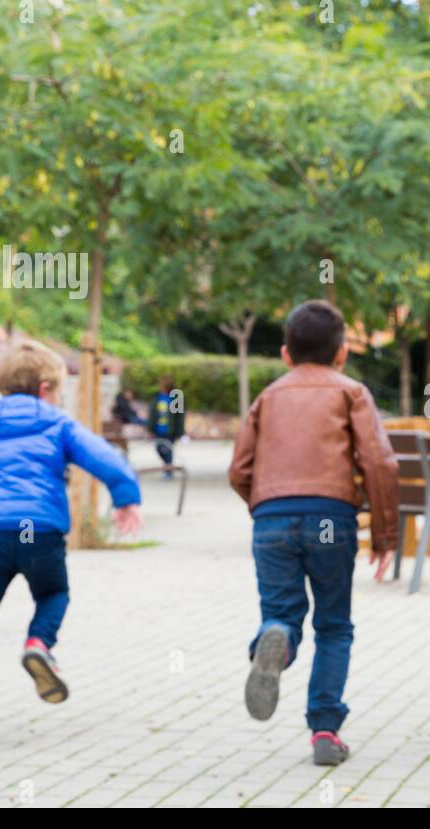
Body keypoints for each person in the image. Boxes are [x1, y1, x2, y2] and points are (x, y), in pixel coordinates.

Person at [0, 340, 143, 752]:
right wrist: (126, 497)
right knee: (54, 593)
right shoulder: (58, 424)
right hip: (39, 532)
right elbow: (105, 459)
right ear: (44, 388)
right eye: (57, 390)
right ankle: (39, 644)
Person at [227, 300, 399, 766]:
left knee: (282, 611)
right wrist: (385, 535)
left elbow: (239, 468)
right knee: (334, 624)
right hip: (330, 518)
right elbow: (380, 464)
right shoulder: (352, 392)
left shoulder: (268, 396)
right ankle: (325, 730)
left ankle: (276, 641)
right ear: (342, 353)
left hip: (273, 518)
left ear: (285, 354)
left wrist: (265, 508)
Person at [147, 375, 185, 477]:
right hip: (158, 429)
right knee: (159, 448)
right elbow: (152, 414)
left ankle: (168, 470)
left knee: (168, 450)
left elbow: (180, 417)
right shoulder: (157, 397)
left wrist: (179, 432)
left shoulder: (176, 397)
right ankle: (167, 466)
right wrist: (150, 429)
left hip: (170, 430)